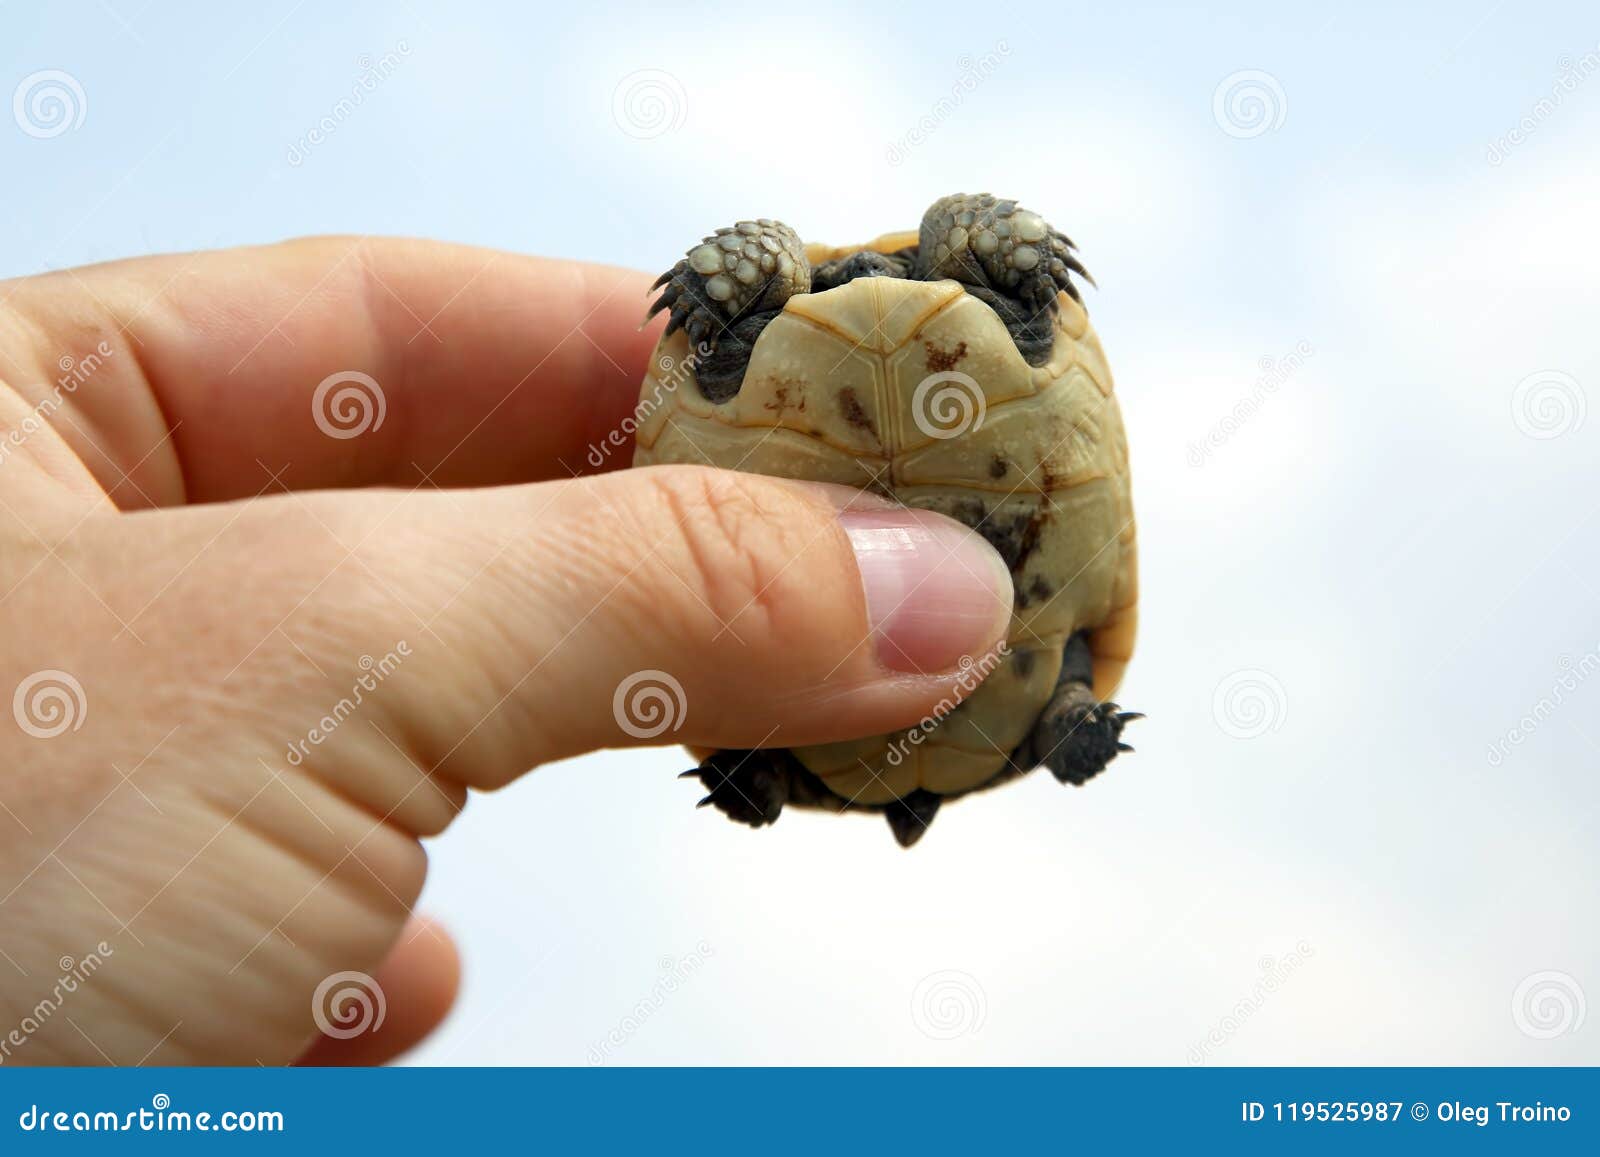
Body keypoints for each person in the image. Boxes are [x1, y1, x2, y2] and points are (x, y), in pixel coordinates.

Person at [0, 238, 1014, 1065]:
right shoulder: (841, 290)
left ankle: (789, 763)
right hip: (996, 664)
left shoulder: (768, 320)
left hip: (925, 699)